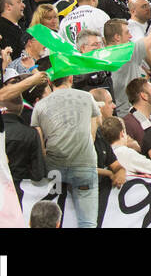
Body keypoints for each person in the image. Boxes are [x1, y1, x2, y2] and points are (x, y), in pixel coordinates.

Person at [29, 73, 100, 228]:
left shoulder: (40, 105)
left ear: (49, 82)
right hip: (84, 164)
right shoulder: (87, 97)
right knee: (87, 222)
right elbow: (94, 128)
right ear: (71, 78)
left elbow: (39, 139)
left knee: (46, 219)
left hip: (55, 167)